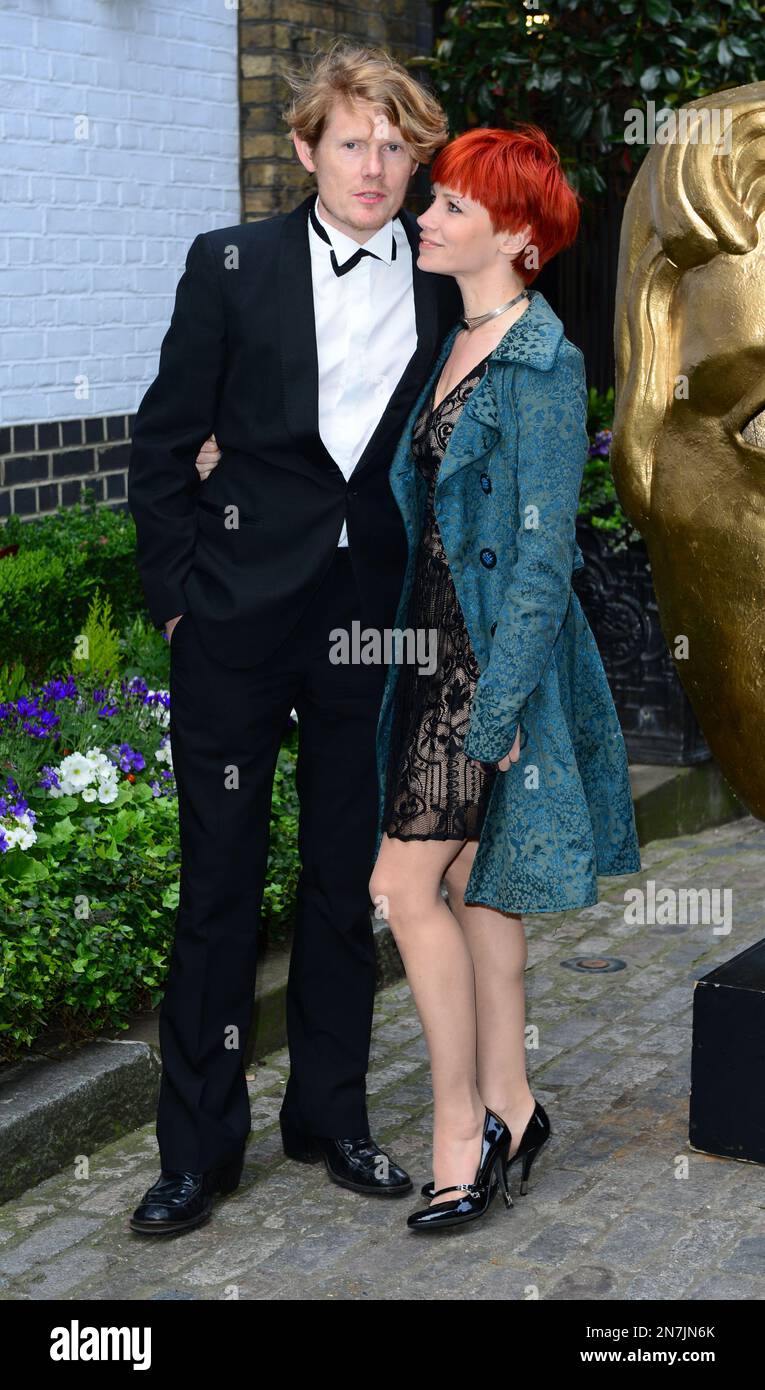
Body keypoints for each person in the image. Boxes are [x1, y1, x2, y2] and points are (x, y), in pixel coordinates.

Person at [126, 41, 462, 1235]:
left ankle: (330, 1118)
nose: (375, 166)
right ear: (307, 149)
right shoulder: (231, 266)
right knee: (216, 886)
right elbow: (164, 444)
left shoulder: (440, 282)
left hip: (368, 631)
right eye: (353, 141)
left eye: (395, 145)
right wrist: (176, 597)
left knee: (341, 885)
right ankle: (196, 1152)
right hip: (232, 625)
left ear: (414, 160)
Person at [368, 125, 642, 1232]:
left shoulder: (543, 358)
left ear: (515, 232)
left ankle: (458, 1132)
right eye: (428, 203)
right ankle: (516, 1105)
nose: (422, 218)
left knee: (400, 887)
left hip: (486, 666)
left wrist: (502, 704)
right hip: (432, 647)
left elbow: (543, 555)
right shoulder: (461, 340)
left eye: (448, 207)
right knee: (480, 893)